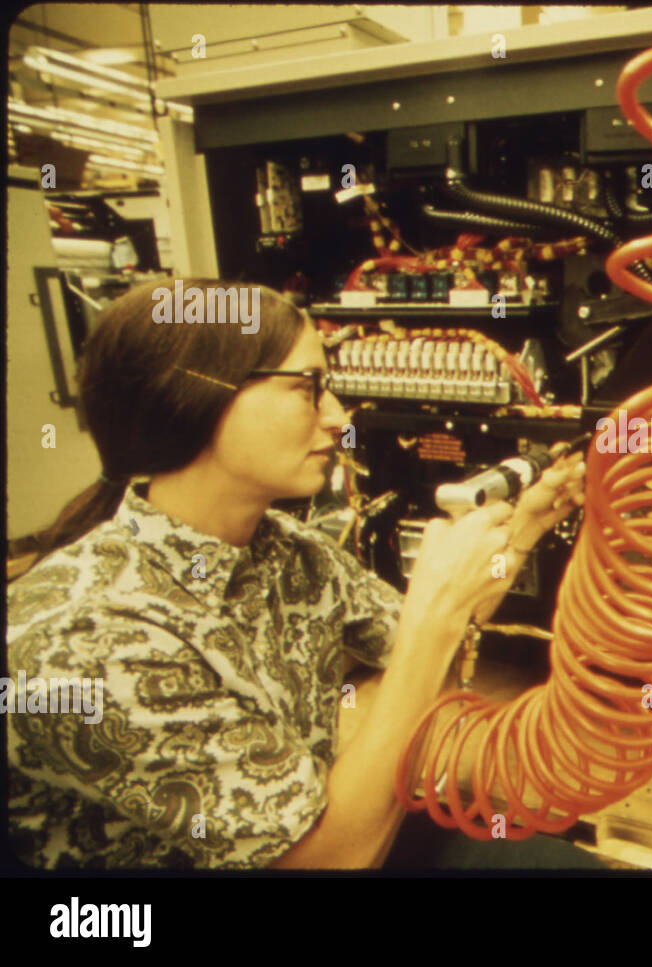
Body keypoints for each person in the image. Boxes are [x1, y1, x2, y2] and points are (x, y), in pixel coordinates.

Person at [6, 278, 585, 869]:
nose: (336, 417)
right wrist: (432, 621)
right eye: (307, 388)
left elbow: (404, 634)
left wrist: (522, 531)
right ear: (191, 398)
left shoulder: (286, 551)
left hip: (321, 821)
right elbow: (324, 862)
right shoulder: (88, 640)